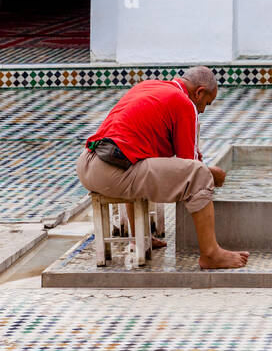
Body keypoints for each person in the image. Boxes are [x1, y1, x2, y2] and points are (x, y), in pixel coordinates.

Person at [76, 65, 249, 270]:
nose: (202, 110)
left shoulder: (150, 86)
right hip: (110, 172)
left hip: (87, 163)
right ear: (199, 92)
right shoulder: (184, 103)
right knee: (199, 175)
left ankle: (140, 238)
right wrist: (214, 174)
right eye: (206, 104)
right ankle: (211, 254)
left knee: (140, 163)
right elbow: (190, 164)